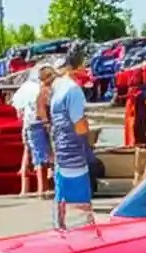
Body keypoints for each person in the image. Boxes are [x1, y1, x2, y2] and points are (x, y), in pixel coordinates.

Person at [41, 51, 95, 230]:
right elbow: (78, 125)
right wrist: (88, 131)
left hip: (62, 155)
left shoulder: (58, 90)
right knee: (79, 215)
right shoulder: (72, 90)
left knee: (61, 205)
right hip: (74, 157)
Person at [12, 65, 54, 198]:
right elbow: (43, 109)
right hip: (39, 124)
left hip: (28, 124)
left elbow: (17, 108)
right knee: (43, 158)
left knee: (30, 154)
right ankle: (43, 190)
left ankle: (25, 189)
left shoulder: (25, 87)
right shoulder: (41, 89)